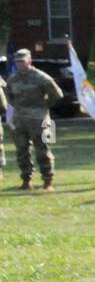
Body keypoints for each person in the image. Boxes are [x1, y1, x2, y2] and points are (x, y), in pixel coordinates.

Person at [6, 48, 61, 191]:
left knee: (43, 149)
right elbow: (9, 97)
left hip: (39, 119)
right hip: (20, 120)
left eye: (22, 62)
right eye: (17, 62)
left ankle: (48, 180)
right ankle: (26, 180)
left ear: (29, 61)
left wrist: (43, 106)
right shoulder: (13, 79)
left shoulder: (41, 77)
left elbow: (57, 94)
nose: (20, 65)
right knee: (21, 150)